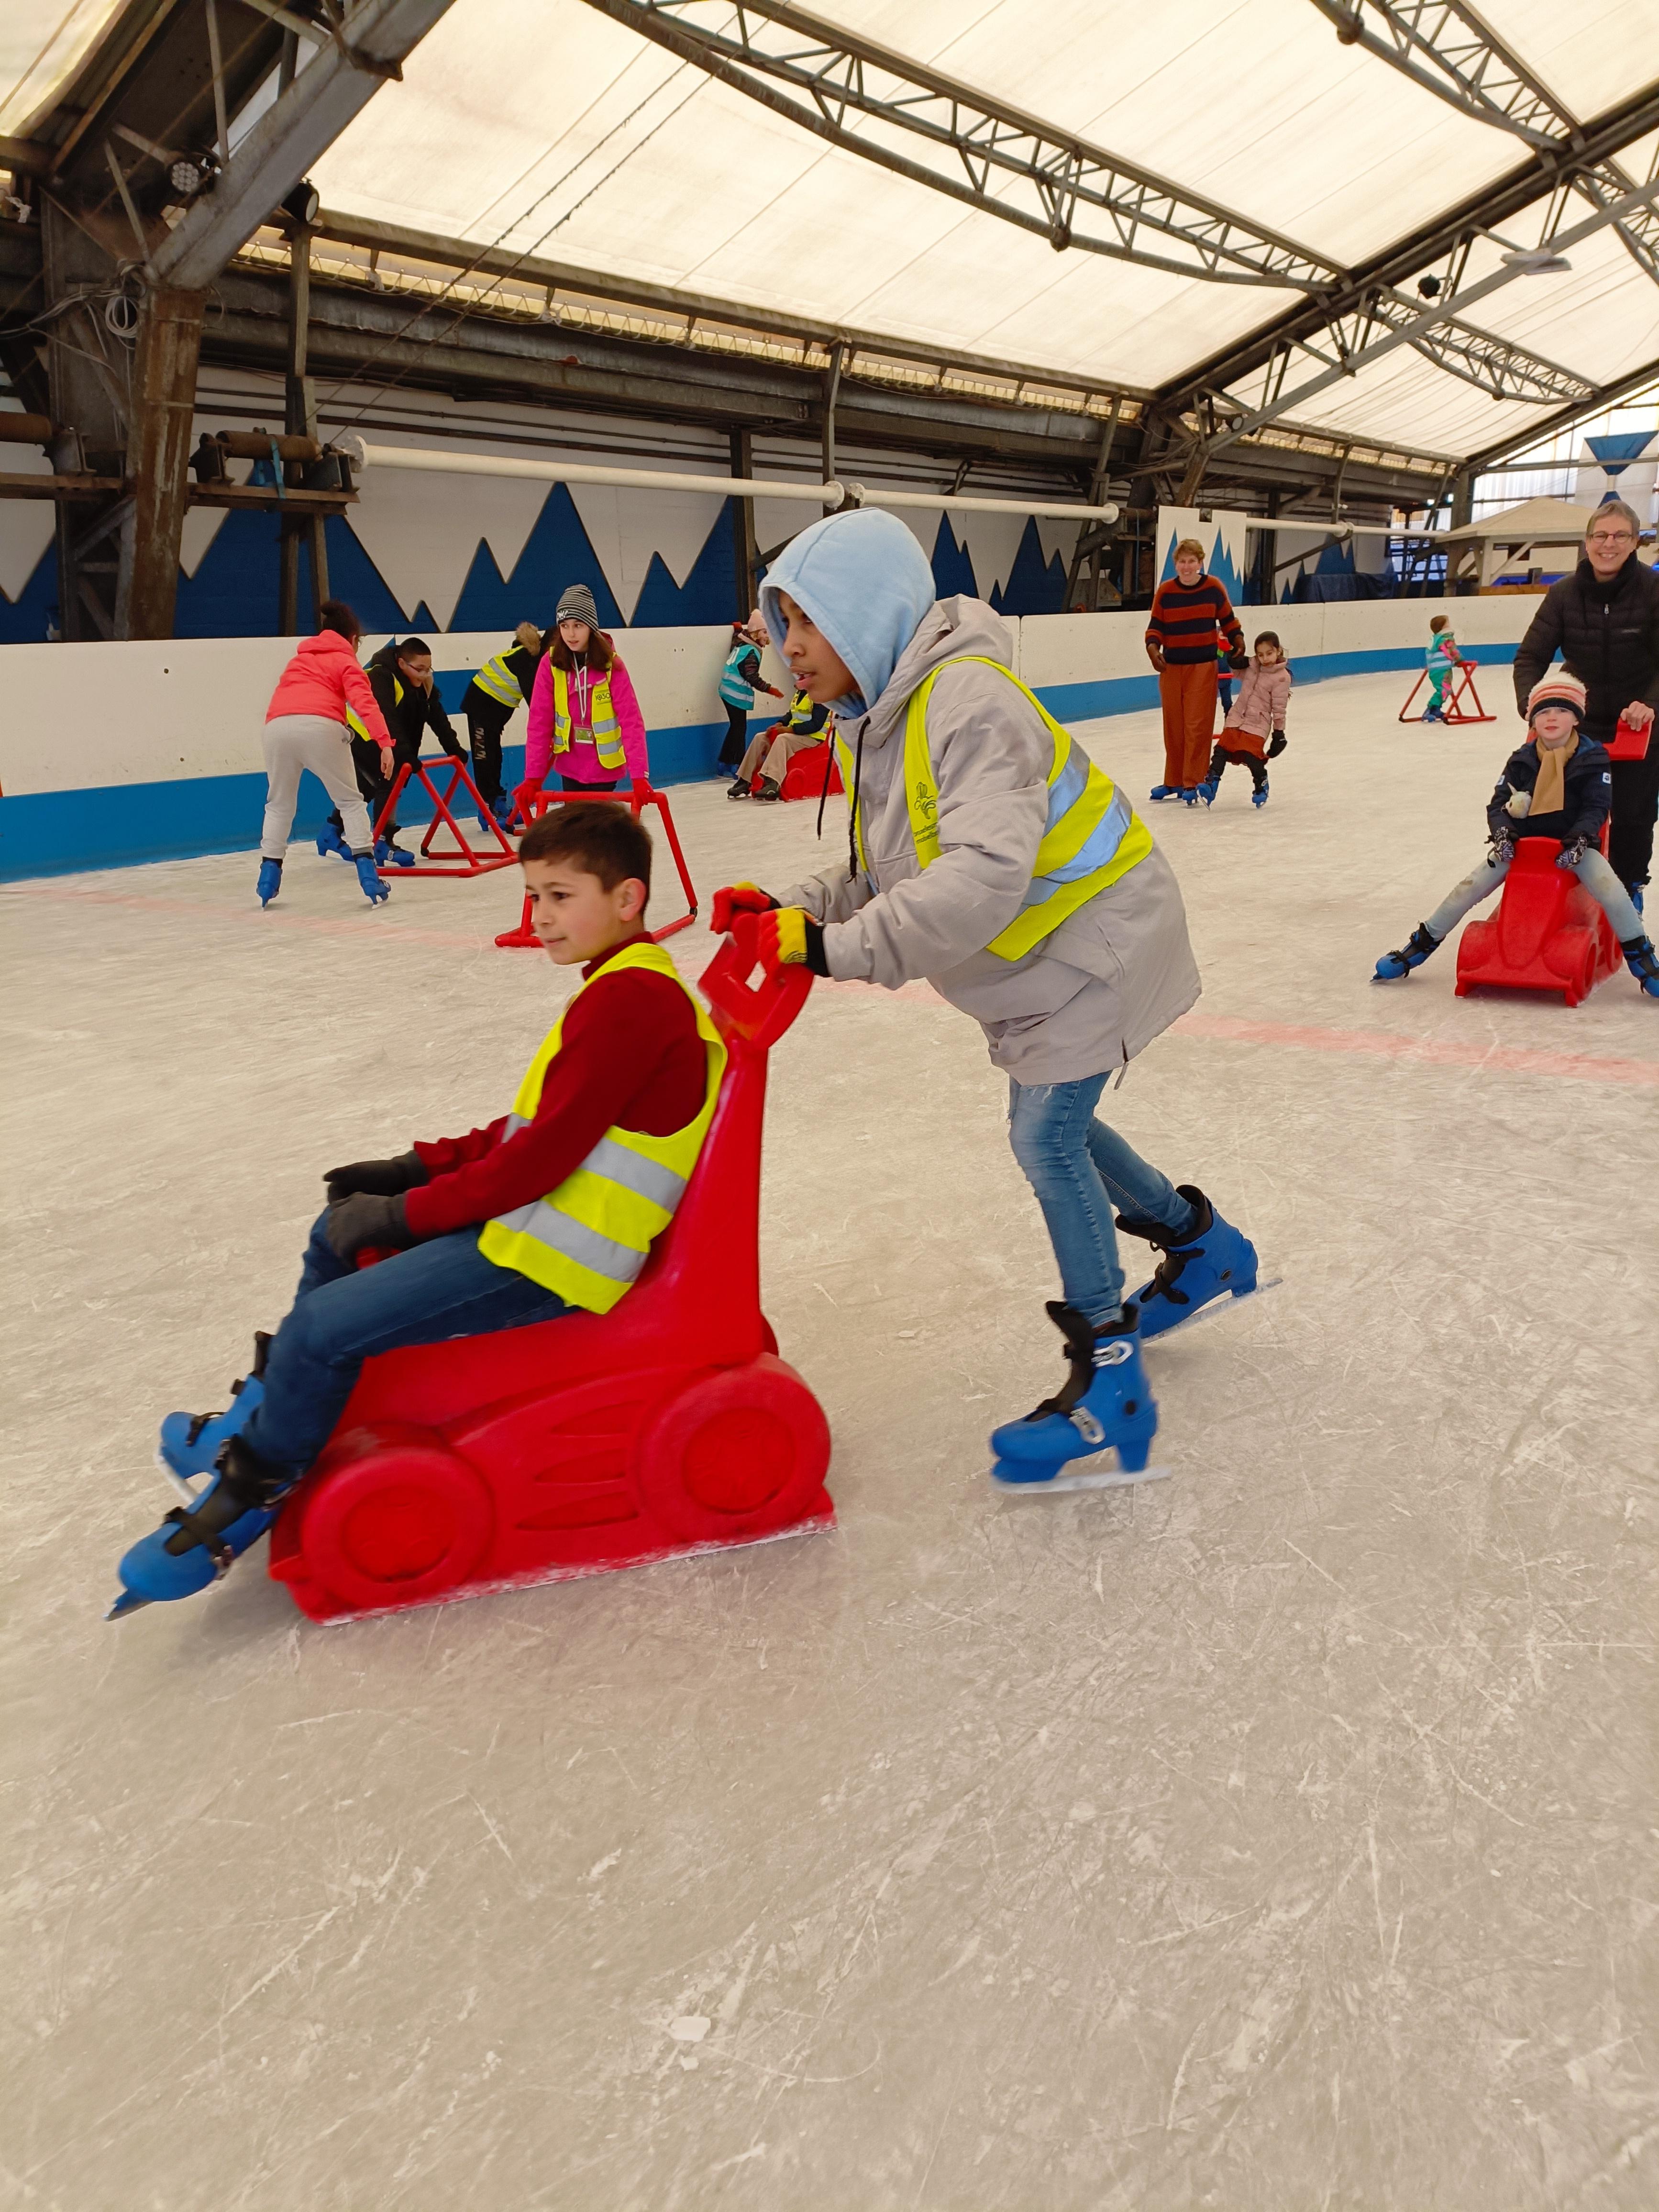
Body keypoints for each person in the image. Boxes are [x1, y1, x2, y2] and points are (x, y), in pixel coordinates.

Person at [714, 506, 1259, 1493]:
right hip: (1041, 961)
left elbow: (977, 878)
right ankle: (1201, 1244)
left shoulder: (966, 701)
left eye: (806, 620)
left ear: (868, 614)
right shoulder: (878, 718)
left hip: (1095, 940)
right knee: (1058, 1122)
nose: (786, 645)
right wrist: (790, 907)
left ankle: (1112, 1382)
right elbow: (885, 867)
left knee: (1045, 1136)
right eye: (781, 620)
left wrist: (833, 950)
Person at [108, 803, 728, 1615]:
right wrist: (413, 1170)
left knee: (321, 1328)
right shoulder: (617, 987)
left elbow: (535, 1163)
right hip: (529, 1228)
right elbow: (531, 1126)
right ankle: (260, 1418)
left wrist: (403, 1216)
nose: (540, 917)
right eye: (532, 896)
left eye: (560, 896)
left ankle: (252, 1488)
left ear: (627, 898)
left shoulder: (632, 1002)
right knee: (334, 1234)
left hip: (552, 1257)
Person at [1373, 673, 1659, 998]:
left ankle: (1641, 958)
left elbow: (1597, 807)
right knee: (1466, 889)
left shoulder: (1593, 759)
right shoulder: (1522, 759)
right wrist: (1504, 834)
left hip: (1573, 848)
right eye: (1543, 712)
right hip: (1522, 847)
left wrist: (1580, 839)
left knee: (1613, 891)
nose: (1552, 718)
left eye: (1562, 711)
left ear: (1577, 718)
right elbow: (1498, 804)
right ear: (1533, 720)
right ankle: (1420, 945)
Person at [1513, 498, 1659, 907]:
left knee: (1633, 812)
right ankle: (1566, 882)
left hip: (1640, 720)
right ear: (1588, 541)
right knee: (1564, 806)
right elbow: (1530, 657)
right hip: (1582, 721)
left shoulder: (1653, 590)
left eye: (1620, 536)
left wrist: (1649, 703)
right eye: (1601, 535)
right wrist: (1533, 706)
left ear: (1635, 542)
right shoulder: (1564, 594)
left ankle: (1629, 886)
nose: (1609, 544)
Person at [257, 599, 391, 909]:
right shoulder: (346, 661)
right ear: (353, 639)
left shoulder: (299, 661)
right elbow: (365, 703)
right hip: (320, 727)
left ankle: (268, 879)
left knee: (279, 804)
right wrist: (385, 743)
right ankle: (369, 877)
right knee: (350, 802)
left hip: (277, 727)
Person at [321, 634, 465, 866]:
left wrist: (453, 747)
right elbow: (387, 717)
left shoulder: (423, 681)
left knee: (367, 788)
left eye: (428, 669)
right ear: (401, 663)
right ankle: (382, 842)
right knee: (388, 778)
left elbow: (435, 714)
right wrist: (404, 753)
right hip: (359, 731)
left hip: (382, 735)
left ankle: (331, 832)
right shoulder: (381, 676)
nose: (425, 674)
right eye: (419, 669)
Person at [520, 584, 650, 807]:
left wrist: (640, 776)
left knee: (595, 825)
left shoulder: (612, 666)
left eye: (578, 625)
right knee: (576, 824)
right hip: (570, 767)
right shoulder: (550, 664)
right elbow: (539, 723)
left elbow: (631, 722)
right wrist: (533, 778)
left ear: (591, 626)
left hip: (605, 769)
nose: (571, 634)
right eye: (564, 626)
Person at [1145, 538, 1246, 803]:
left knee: (1197, 726)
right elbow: (1155, 626)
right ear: (1176, 564)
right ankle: (1173, 781)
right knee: (1174, 727)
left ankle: (1193, 780)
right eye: (1182, 562)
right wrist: (1153, 649)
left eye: (1192, 561)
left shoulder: (1213, 587)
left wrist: (1237, 639)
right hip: (1172, 668)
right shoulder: (1166, 591)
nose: (1187, 566)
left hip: (1202, 667)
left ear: (1200, 563)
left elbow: (1228, 619)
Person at [461, 620, 545, 830]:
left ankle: (498, 802)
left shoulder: (529, 657)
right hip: (480, 707)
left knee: (495, 756)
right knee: (484, 759)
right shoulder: (527, 660)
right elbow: (536, 702)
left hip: (493, 713)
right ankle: (487, 808)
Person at [1198, 632, 1291, 808]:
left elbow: (1279, 708)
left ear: (1278, 650)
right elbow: (1237, 671)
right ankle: (1211, 784)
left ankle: (1261, 785)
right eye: (1260, 655)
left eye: (1269, 653)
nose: (1265, 659)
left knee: (1251, 757)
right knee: (1221, 751)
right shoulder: (1252, 666)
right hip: (1237, 717)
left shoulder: (1282, 677)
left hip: (1258, 723)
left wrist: (1279, 733)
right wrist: (1231, 654)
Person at [727, 683, 831, 801]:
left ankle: (773, 782)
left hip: (813, 738)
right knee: (760, 738)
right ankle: (745, 780)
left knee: (783, 739)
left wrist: (790, 730)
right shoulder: (801, 693)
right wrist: (780, 723)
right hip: (797, 734)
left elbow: (816, 725)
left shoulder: (820, 695)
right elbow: (792, 713)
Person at [717, 610, 785, 774]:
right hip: (735, 693)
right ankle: (738, 765)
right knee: (740, 729)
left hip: (726, 689)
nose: (767, 636)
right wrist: (770, 689)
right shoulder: (752, 652)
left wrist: (738, 630)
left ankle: (724, 762)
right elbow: (752, 676)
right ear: (754, 634)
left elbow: (736, 639)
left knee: (736, 727)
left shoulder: (742, 643)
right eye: (764, 632)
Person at [1422, 614, 1468, 723]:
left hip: (1436, 670)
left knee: (1445, 690)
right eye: (1448, 623)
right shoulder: (1446, 638)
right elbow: (1453, 651)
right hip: (1442, 670)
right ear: (1443, 626)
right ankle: (1429, 710)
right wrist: (1460, 660)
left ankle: (1436, 709)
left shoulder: (1435, 639)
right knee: (1444, 689)